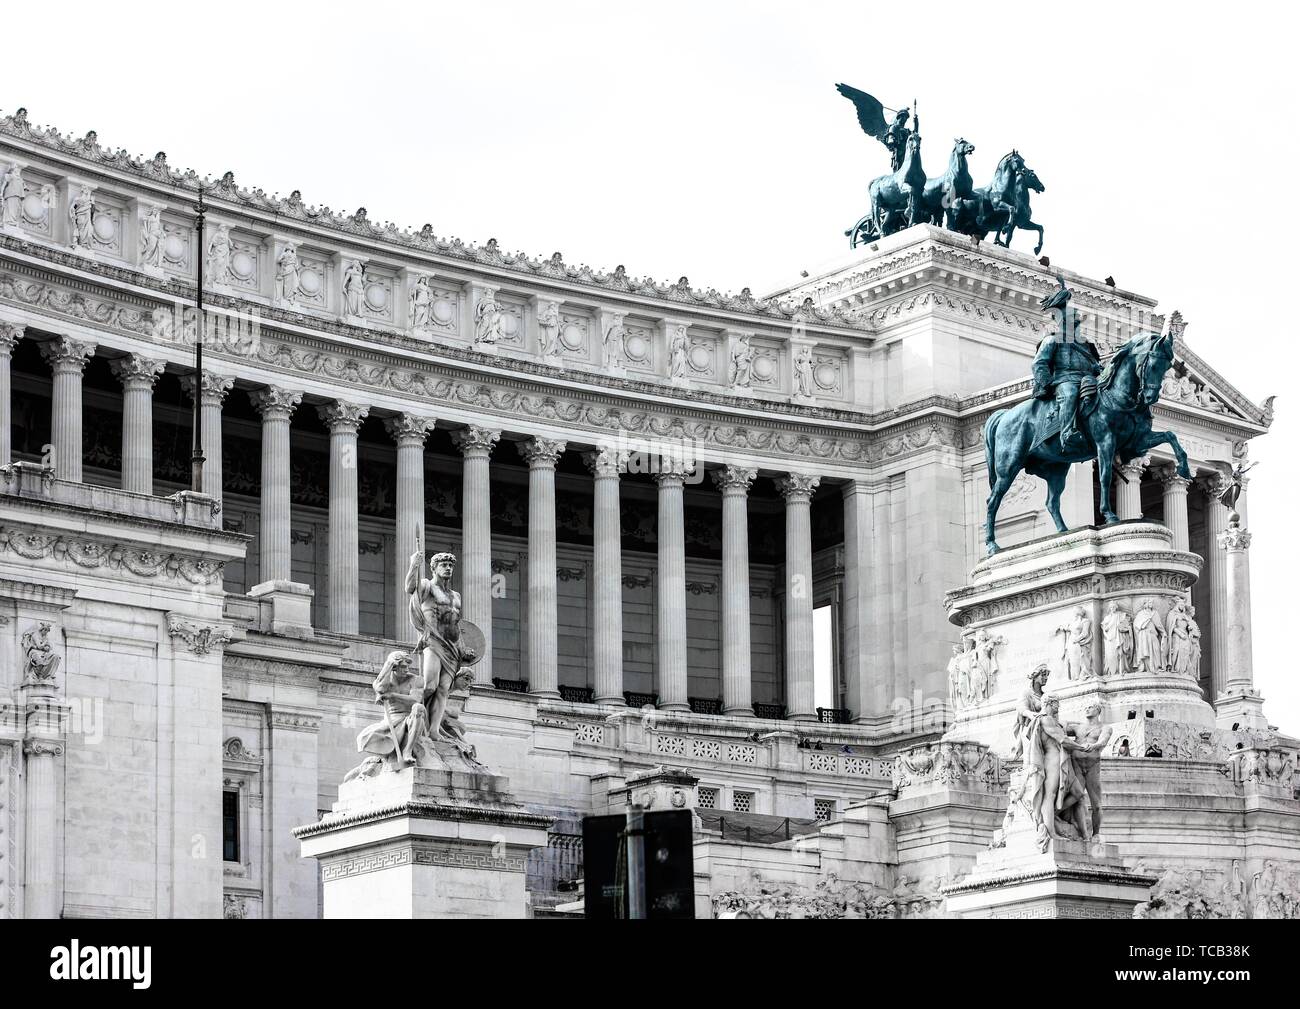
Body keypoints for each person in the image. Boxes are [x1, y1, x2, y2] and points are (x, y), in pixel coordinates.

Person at [406, 547, 477, 740]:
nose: (447, 568)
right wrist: (414, 564)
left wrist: (463, 648)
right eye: (443, 565)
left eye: (450, 565)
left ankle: (434, 730)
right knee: (430, 685)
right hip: (433, 640)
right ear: (434, 568)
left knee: (444, 689)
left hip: (453, 647)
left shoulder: (456, 596)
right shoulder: (427, 586)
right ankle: (410, 718)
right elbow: (409, 588)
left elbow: (455, 623)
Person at [1031, 276, 1101, 453]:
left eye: (1077, 325)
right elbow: (1039, 364)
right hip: (1064, 380)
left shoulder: (1086, 345)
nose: (1076, 327)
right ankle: (1067, 433)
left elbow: (1094, 366)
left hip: (1086, 380)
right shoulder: (1052, 340)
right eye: (1073, 324)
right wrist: (1048, 383)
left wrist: (1098, 370)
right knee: (1070, 393)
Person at [354, 650, 429, 766]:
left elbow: (415, 699)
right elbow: (380, 689)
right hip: (391, 719)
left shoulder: (416, 680)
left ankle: (407, 751)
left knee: (418, 707)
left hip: (410, 717)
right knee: (365, 737)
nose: (407, 670)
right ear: (394, 667)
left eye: (408, 666)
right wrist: (388, 665)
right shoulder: (385, 681)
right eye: (403, 667)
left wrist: (393, 695)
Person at [1065, 702, 1112, 836]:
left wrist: (1095, 745)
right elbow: (1057, 727)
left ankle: (1096, 834)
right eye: (1085, 707)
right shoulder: (1077, 727)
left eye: (1090, 707)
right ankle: (1083, 833)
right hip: (1077, 766)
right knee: (1077, 797)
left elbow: (1103, 740)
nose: (1086, 708)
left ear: (1098, 710)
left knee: (1096, 805)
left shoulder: (1105, 727)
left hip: (1092, 767)